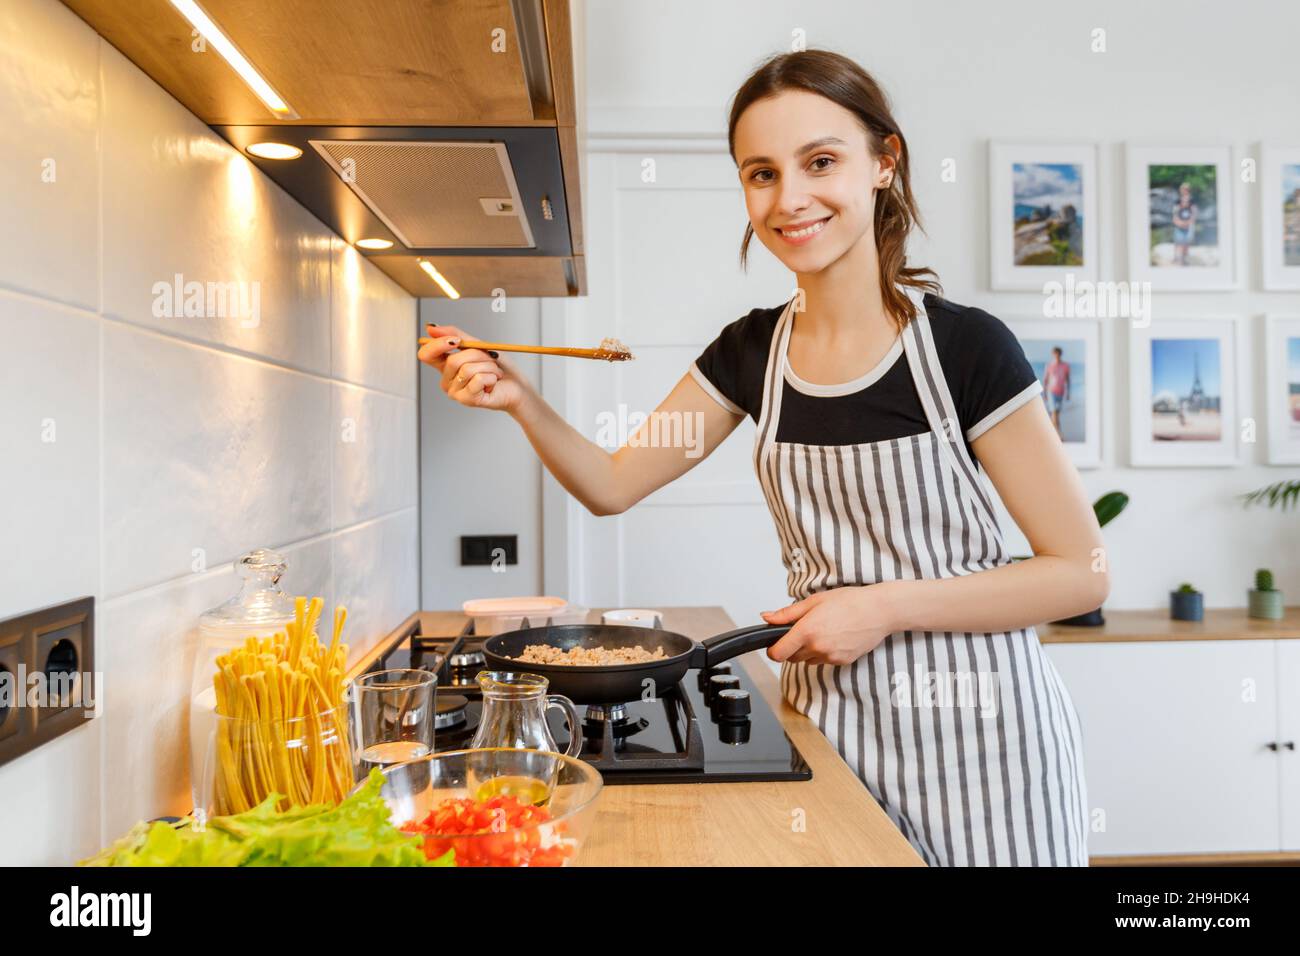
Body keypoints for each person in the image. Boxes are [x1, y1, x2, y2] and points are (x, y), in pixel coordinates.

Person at [418, 49, 1104, 866]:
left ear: (885, 163)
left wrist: (880, 606)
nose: (790, 199)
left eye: (821, 162)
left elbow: (1080, 572)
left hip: (985, 744)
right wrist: (517, 397)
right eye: (762, 174)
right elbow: (611, 484)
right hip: (833, 727)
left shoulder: (965, 349)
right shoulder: (749, 354)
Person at [1042, 346, 1071, 437]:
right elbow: (1045, 380)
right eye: (1055, 354)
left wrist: (1068, 393)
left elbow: (1067, 380)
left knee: (1056, 414)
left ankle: (1049, 434)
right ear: (1053, 354)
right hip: (1052, 392)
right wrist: (1045, 393)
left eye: (1058, 354)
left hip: (1061, 392)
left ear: (1060, 354)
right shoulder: (1049, 365)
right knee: (1054, 413)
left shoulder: (1065, 366)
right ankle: (1059, 435)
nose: (1056, 356)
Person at [1171, 181, 1197, 266]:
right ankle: (1176, 258)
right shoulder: (1177, 201)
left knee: (1186, 242)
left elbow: (1194, 213)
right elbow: (1174, 214)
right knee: (1178, 241)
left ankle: (1184, 259)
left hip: (1188, 225)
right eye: (1183, 189)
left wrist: (1188, 223)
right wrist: (1179, 223)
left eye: (1186, 189)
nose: (1184, 191)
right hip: (1179, 224)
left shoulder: (1192, 201)